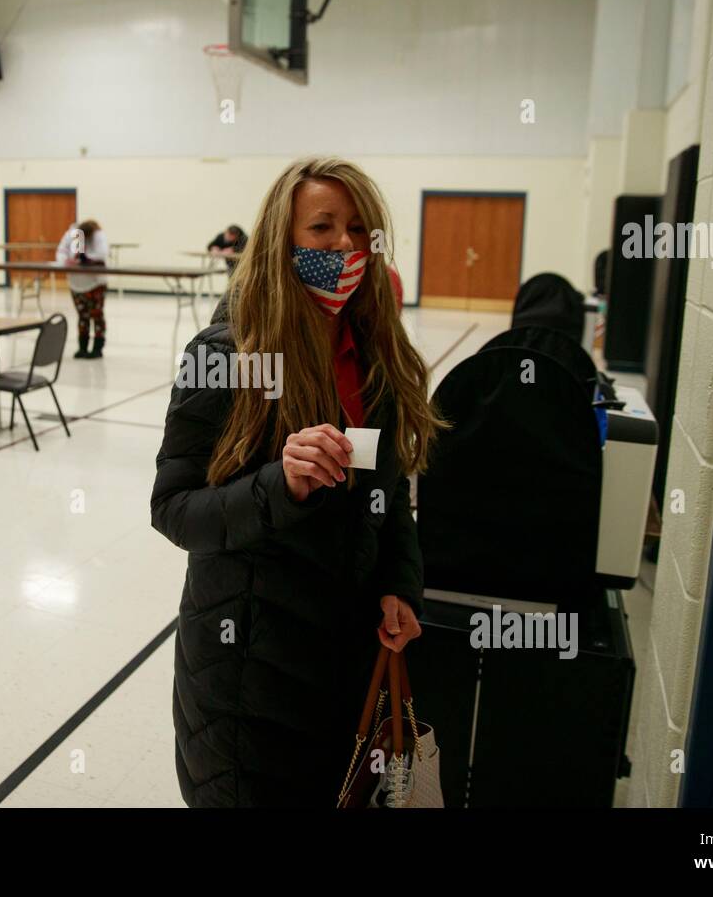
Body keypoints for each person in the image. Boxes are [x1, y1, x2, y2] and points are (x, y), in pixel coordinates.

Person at [150, 156, 446, 807]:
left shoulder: (377, 356)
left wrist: (402, 583)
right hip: (246, 678)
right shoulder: (225, 356)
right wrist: (279, 483)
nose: (343, 242)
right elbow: (174, 508)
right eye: (322, 227)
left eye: (359, 228)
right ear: (282, 242)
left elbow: (391, 496)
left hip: (343, 664)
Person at [55, 219, 108, 359]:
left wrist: (85, 259)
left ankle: (97, 348)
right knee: (82, 316)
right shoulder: (72, 234)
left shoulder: (98, 235)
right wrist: (67, 260)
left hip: (95, 283)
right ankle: (82, 347)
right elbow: (61, 253)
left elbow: (102, 253)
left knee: (97, 316)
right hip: (76, 284)